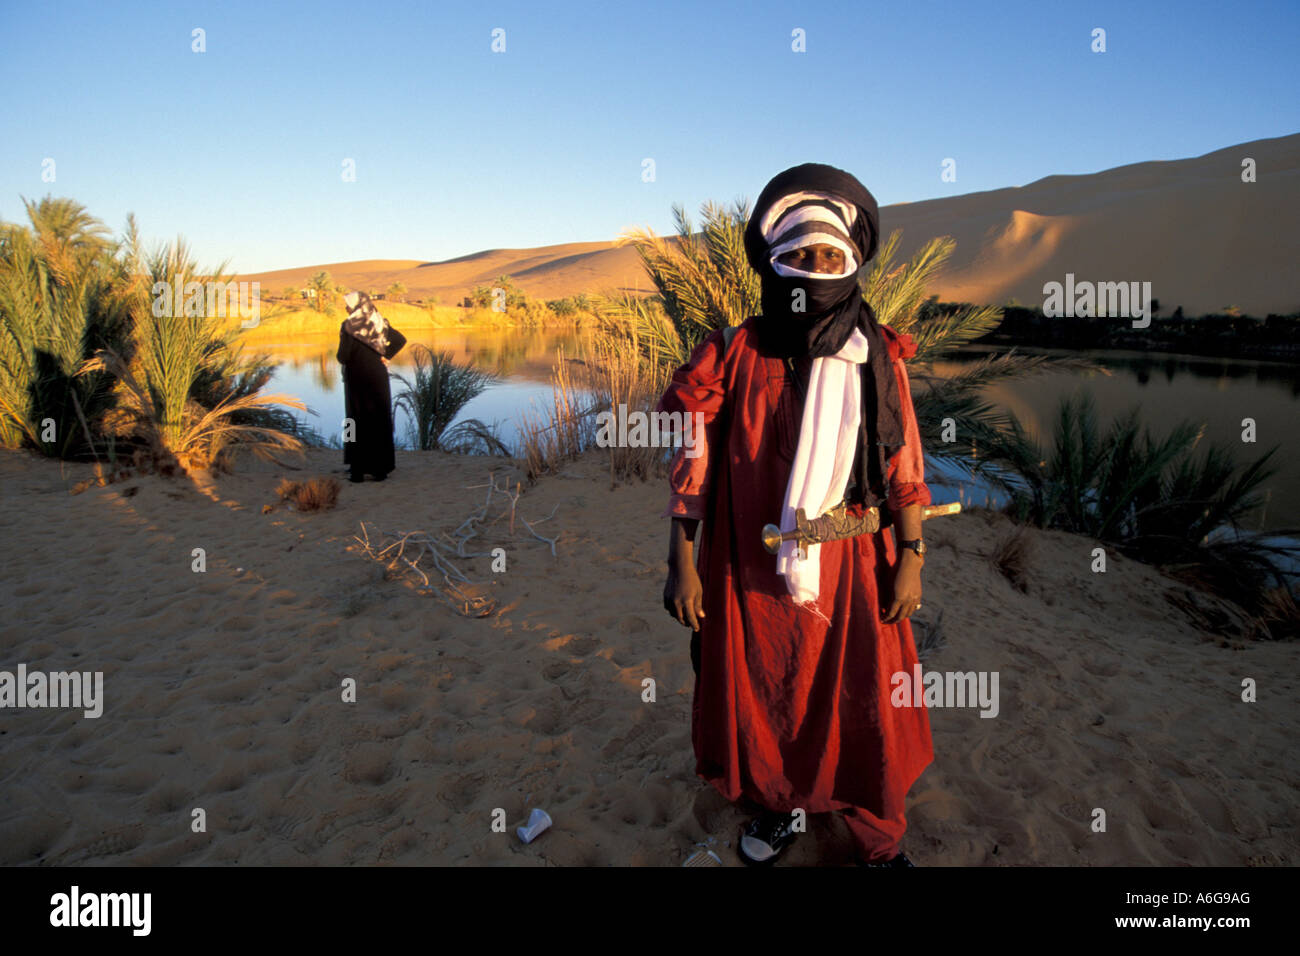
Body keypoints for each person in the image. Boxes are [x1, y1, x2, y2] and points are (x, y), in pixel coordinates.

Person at [655, 163, 933, 867]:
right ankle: (779, 807)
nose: (813, 272)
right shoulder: (731, 353)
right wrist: (680, 562)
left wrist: (911, 562)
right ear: (774, 266)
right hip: (747, 561)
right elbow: (693, 469)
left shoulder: (877, 356)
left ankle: (875, 832)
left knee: (861, 697)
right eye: (798, 258)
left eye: (829, 259)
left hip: (852, 563)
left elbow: (904, 471)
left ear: (852, 264)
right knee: (769, 691)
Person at [337, 291, 407, 483]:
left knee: (353, 420)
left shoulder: (349, 326)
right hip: (378, 377)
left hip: (356, 379)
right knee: (379, 419)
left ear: (356, 306)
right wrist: (386, 354)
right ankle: (380, 469)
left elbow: (343, 356)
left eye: (348, 305)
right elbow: (401, 340)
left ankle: (356, 468)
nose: (346, 308)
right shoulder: (380, 323)